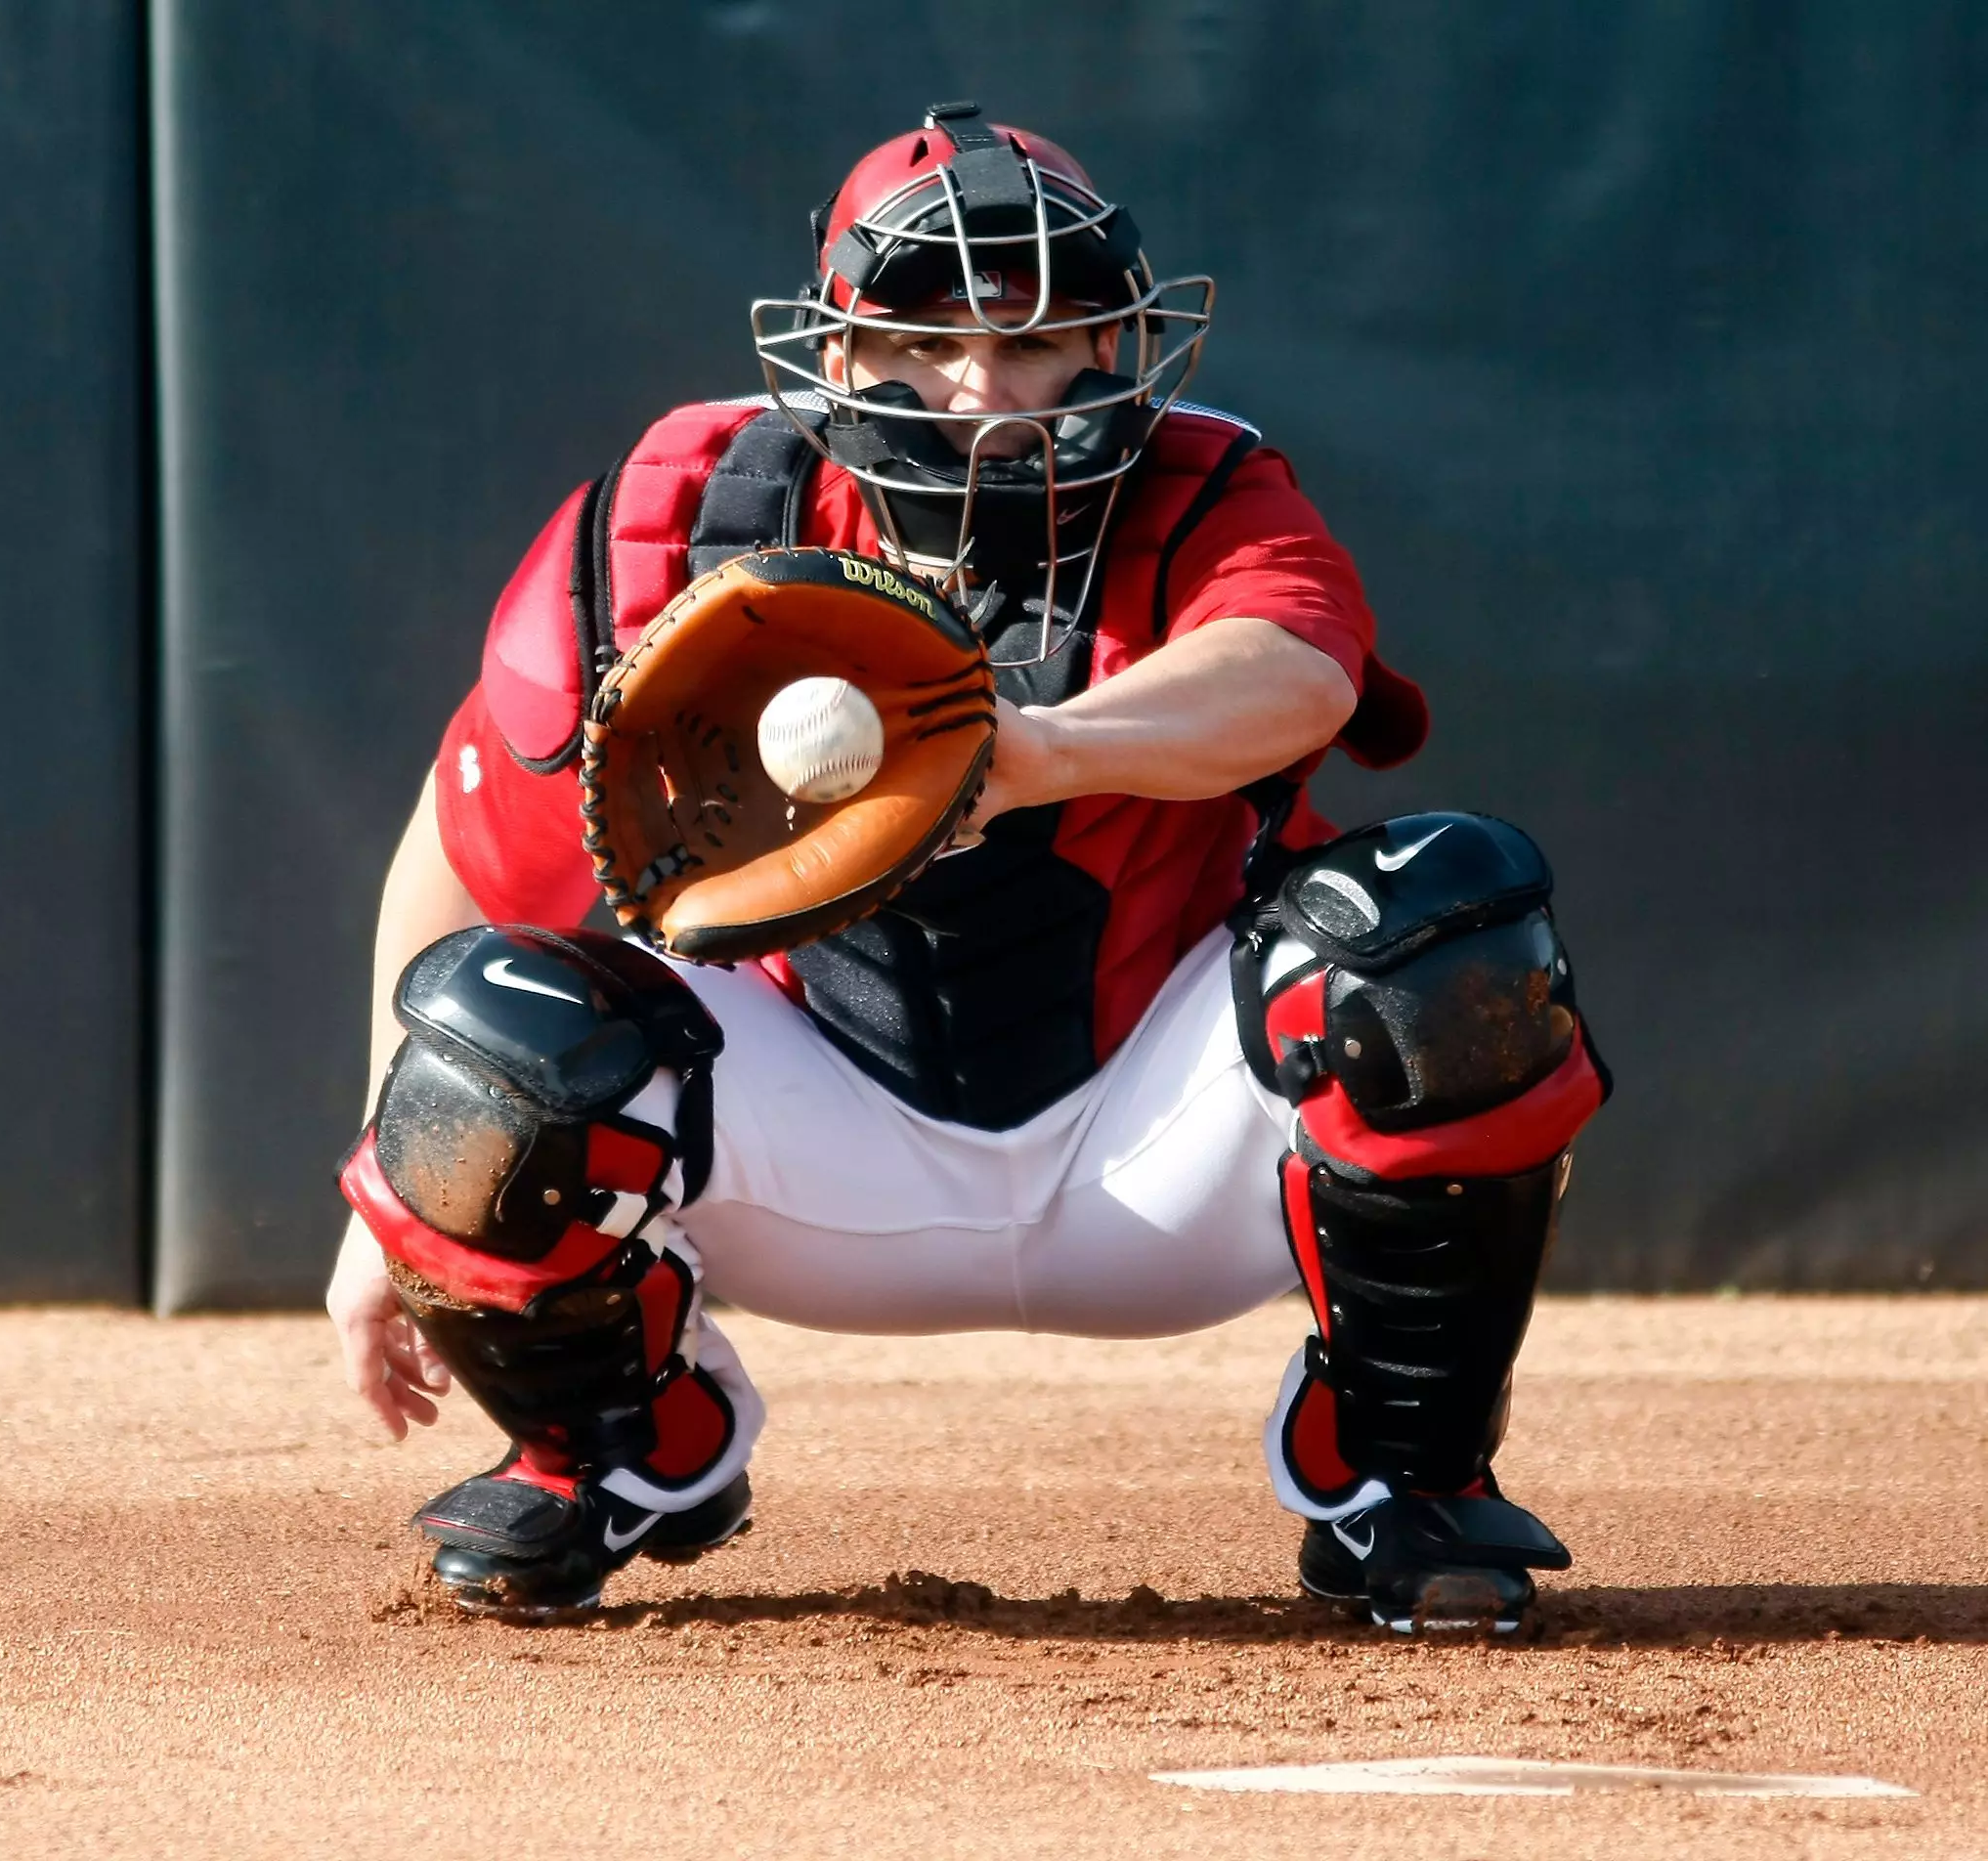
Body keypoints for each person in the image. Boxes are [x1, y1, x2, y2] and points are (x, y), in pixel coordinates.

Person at [326, 104, 1609, 1631]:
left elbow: (1295, 676)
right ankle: (612, 1454)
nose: (985, 392)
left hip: (1161, 1151)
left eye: (1036, 339)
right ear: (838, 354)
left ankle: (1403, 1476)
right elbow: (461, 837)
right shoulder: (680, 527)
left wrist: (1033, 751)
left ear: (1112, 344)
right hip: (815, 1151)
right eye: (926, 343)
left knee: (1440, 920)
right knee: (491, 1027)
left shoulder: (1201, 492)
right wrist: (385, 1208)